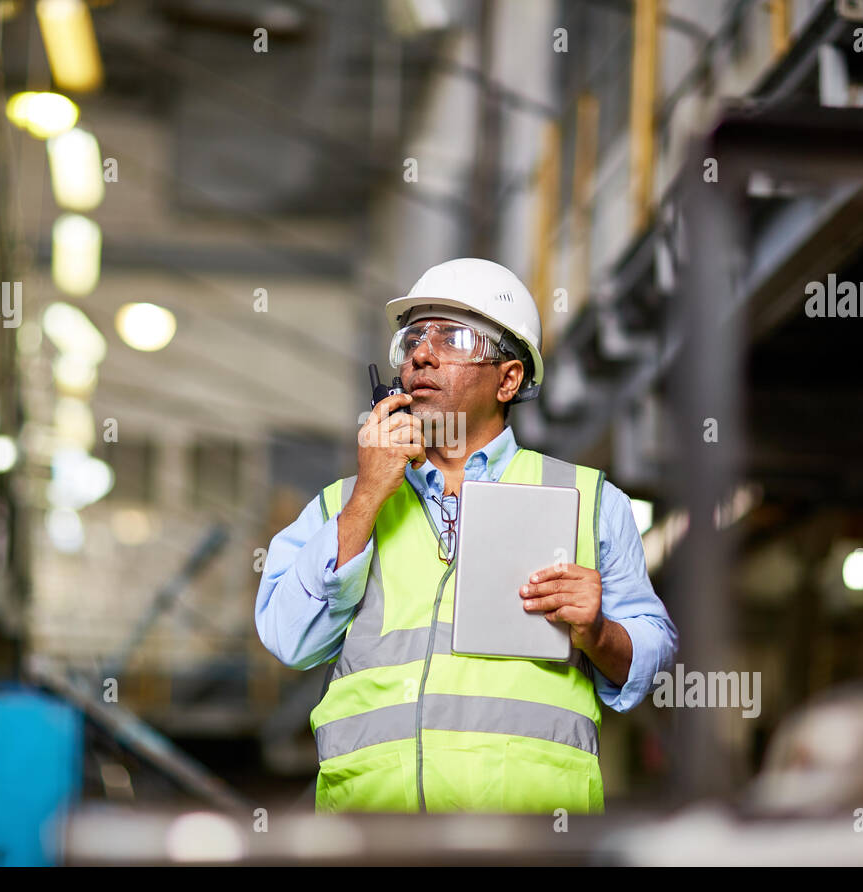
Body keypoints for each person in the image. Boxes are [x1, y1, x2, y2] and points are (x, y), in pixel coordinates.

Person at [255, 257, 677, 814]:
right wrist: (366, 497)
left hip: (528, 843)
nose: (421, 354)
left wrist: (597, 633)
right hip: (371, 839)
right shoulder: (342, 506)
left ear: (509, 379)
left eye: (451, 337)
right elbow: (289, 639)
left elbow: (655, 659)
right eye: (412, 339)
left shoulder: (590, 502)